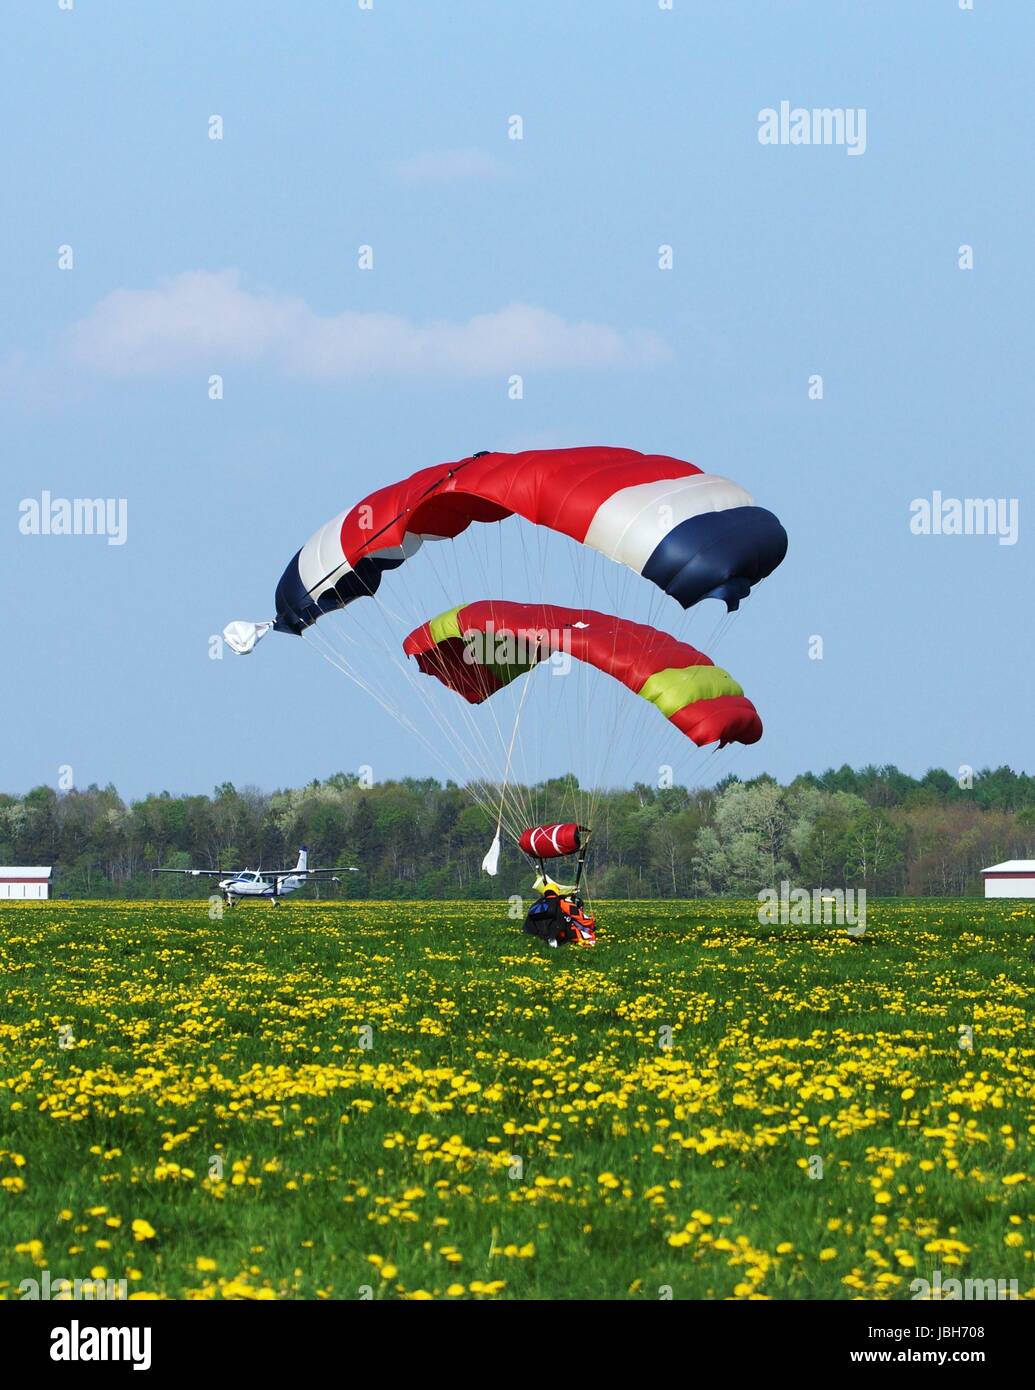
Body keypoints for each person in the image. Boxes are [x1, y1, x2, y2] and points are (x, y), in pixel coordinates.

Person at [523, 882, 597, 947]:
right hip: (559, 933)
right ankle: (555, 940)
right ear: (557, 892)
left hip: (538, 935)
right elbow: (579, 917)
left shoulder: (537, 903)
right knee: (589, 936)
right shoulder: (562, 902)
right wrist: (591, 923)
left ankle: (548, 941)